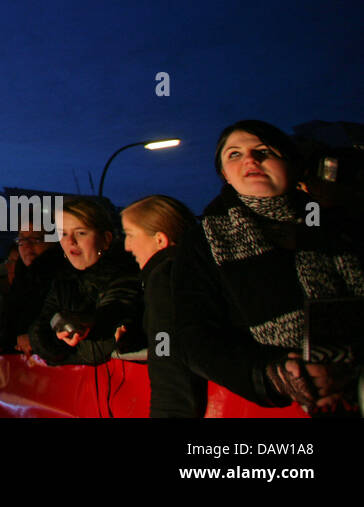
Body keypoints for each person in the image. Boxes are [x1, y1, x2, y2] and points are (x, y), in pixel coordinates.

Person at [173, 120, 364, 414]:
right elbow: (193, 337)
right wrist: (273, 376)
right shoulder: (202, 242)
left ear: (292, 164)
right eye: (234, 154)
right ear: (225, 174)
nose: (250, 159)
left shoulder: (340, 227)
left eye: (264, 150)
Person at [118, 195, 209, 417]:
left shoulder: (164, 278)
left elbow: (166, 351)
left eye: (130, 235)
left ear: (160, 239)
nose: (127, 246)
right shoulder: (193, 272)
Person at [28, 198, 143, 366]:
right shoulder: (63, 281)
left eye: (81, 233)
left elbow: (116, 310)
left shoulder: (127, 273)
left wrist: (87, 324)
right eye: (63, 233)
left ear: (106, 239)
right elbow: (41, 328)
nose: (70, 241)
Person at [0, 230, 64, 353]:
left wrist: (35, 340)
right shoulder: (19, 281)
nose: (27, 245)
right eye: (22, 240)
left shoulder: (62, 278)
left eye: (36, 238)